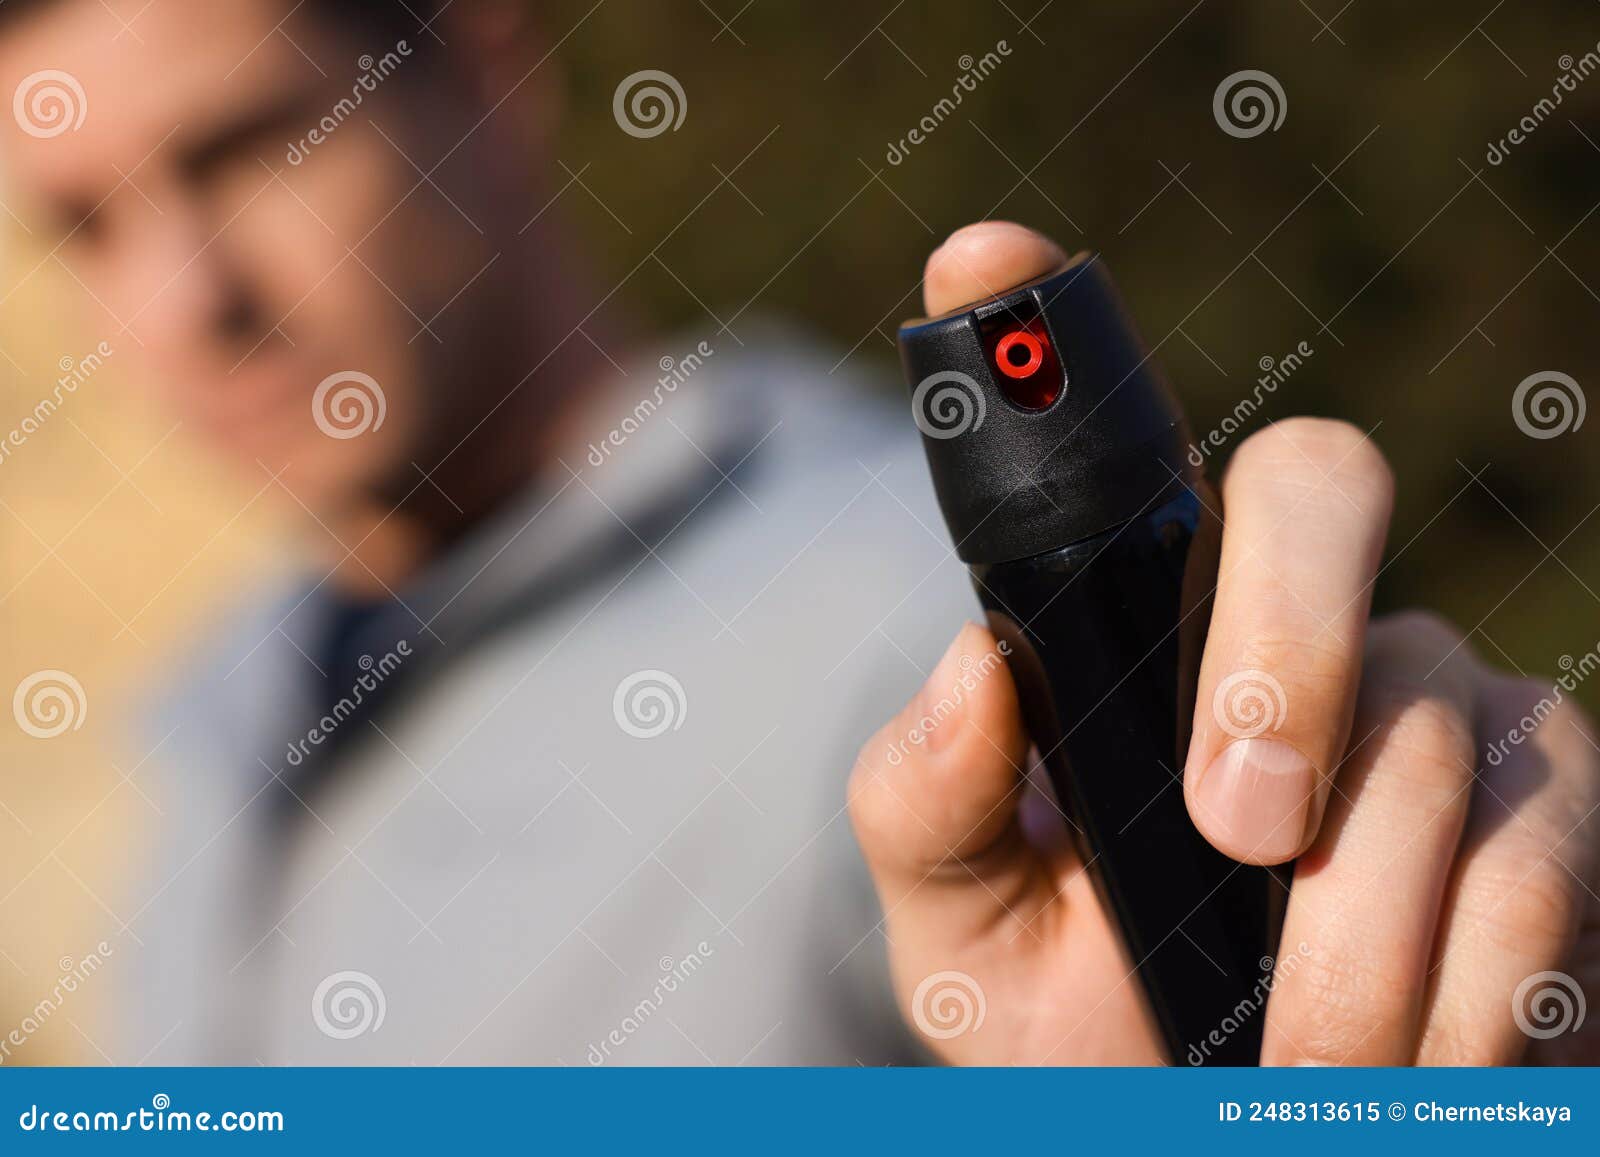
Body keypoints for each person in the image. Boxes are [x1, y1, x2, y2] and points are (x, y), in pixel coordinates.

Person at [0, 0, 1593, 1067]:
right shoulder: (214, 732)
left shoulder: (924, 631)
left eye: (245, 147)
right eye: (83, 222)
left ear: (492, 67)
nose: (183, 301)